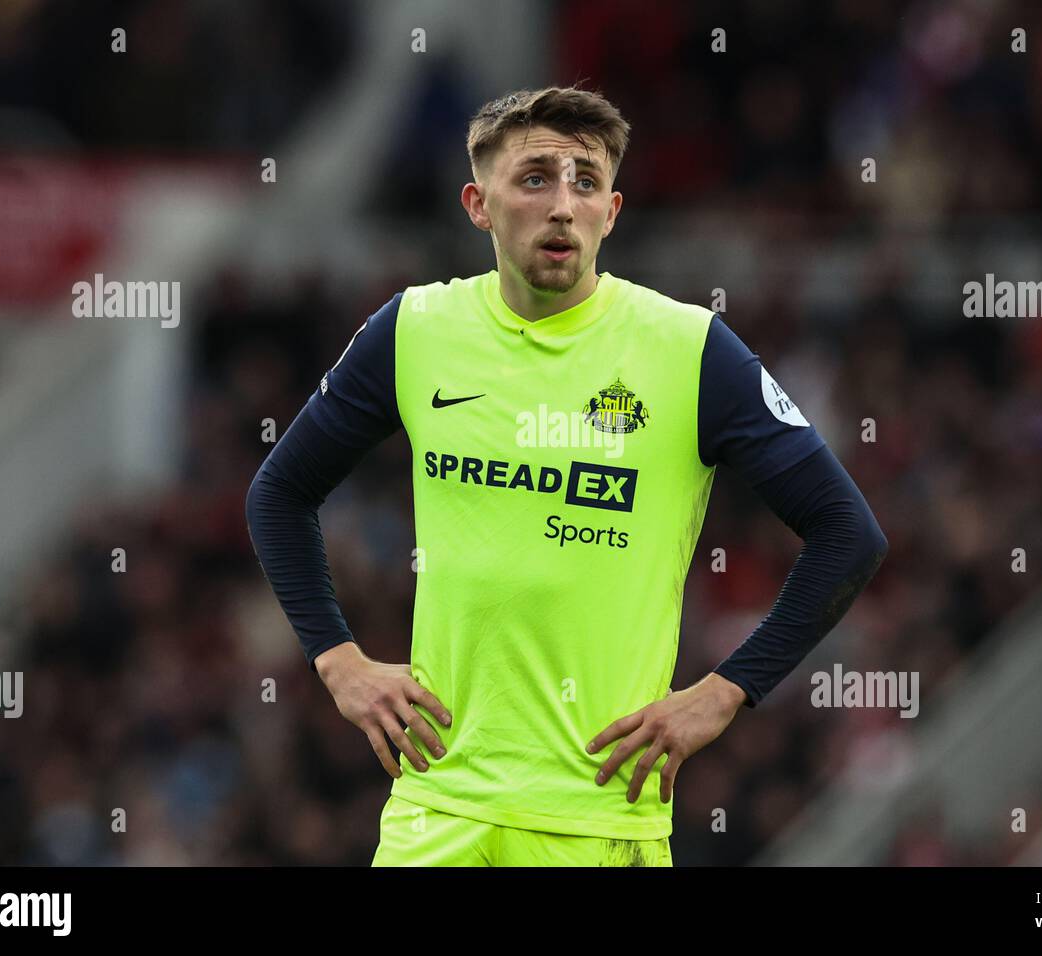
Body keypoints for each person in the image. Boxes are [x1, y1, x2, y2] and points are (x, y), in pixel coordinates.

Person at [245, 84, 887, 866]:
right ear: (479, 204)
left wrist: (724, 693)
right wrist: (337, 661)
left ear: (611, 213)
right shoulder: (415, 331)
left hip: (598, 819)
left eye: (586, 182)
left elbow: (847, 533)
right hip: (436, 810)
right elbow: (279, 492)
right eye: (536, 177)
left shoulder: (689, 351)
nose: (562, 205)